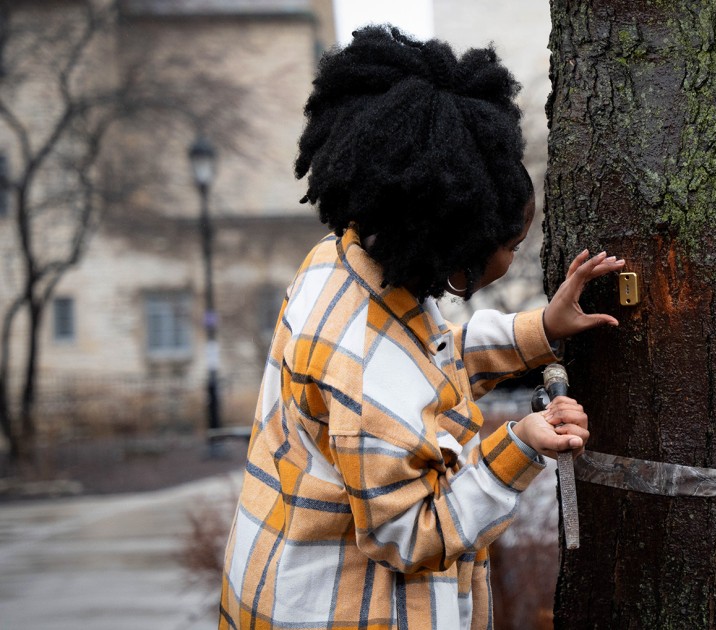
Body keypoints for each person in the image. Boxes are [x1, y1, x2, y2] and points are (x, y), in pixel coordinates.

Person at [218, 26, 624, 630]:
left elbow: (425, 358)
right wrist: (520, 447)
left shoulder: (342, 260)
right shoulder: (368, 367)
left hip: (271, 578)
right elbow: (411, 535)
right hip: (339, 613)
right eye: (511, 246)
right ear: (461, 246)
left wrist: (540, 328)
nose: (516, 257)